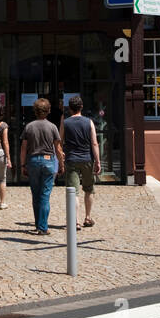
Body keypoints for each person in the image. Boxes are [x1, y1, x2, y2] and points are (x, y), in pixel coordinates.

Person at [18, 97, 64, 235]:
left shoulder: (29, 126)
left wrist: (22, 165)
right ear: (48, 111)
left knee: (36, 194)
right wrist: (61, 164)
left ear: (35, 111)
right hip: (48, 161)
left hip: (33, 161)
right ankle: (43, 227)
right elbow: (58, 149)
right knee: (45, 195)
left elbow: (23, 148)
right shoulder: (52, 127)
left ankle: (39, 224)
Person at [61, 94, 101, 229]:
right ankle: (88, 217)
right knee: (89, 189)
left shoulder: (65, 123)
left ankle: (75, 221)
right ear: (81, 107)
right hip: (87, 159)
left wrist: (61, 158)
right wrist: (98, 161)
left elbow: (60, 141)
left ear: (69, 108)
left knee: (73, 191)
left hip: (71, 159)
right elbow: (94, 143)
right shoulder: (88, 122)